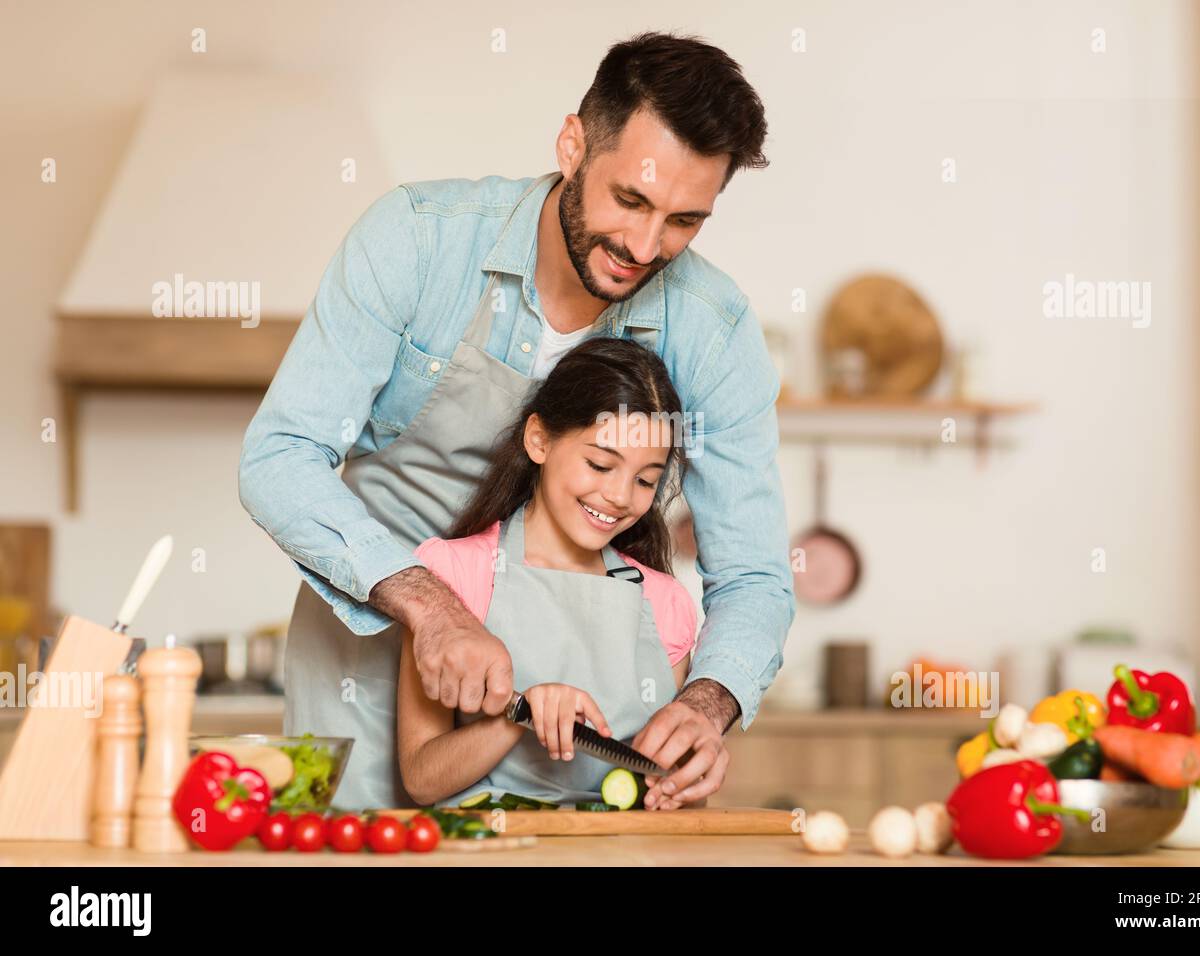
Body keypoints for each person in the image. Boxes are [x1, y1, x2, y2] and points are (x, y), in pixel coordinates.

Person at [239, 31, 794, 810]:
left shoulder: (715, 328)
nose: (643, 245)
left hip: (570, 718)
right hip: (364, 657)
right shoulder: (418, 239)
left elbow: (756, 576)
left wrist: (710, 702)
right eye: (630, 200)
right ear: (572, 144)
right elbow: (278, 458)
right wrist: (432, 605)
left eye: (683, 221)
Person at [397, 337, 700, 808]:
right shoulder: (453, 573)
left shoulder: (666, 602)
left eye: (645, 480)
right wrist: (516, 717)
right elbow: (421, 776)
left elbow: (680, 789)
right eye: (600, 464)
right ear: (539, 439)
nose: (621, 496)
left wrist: (680, 786)